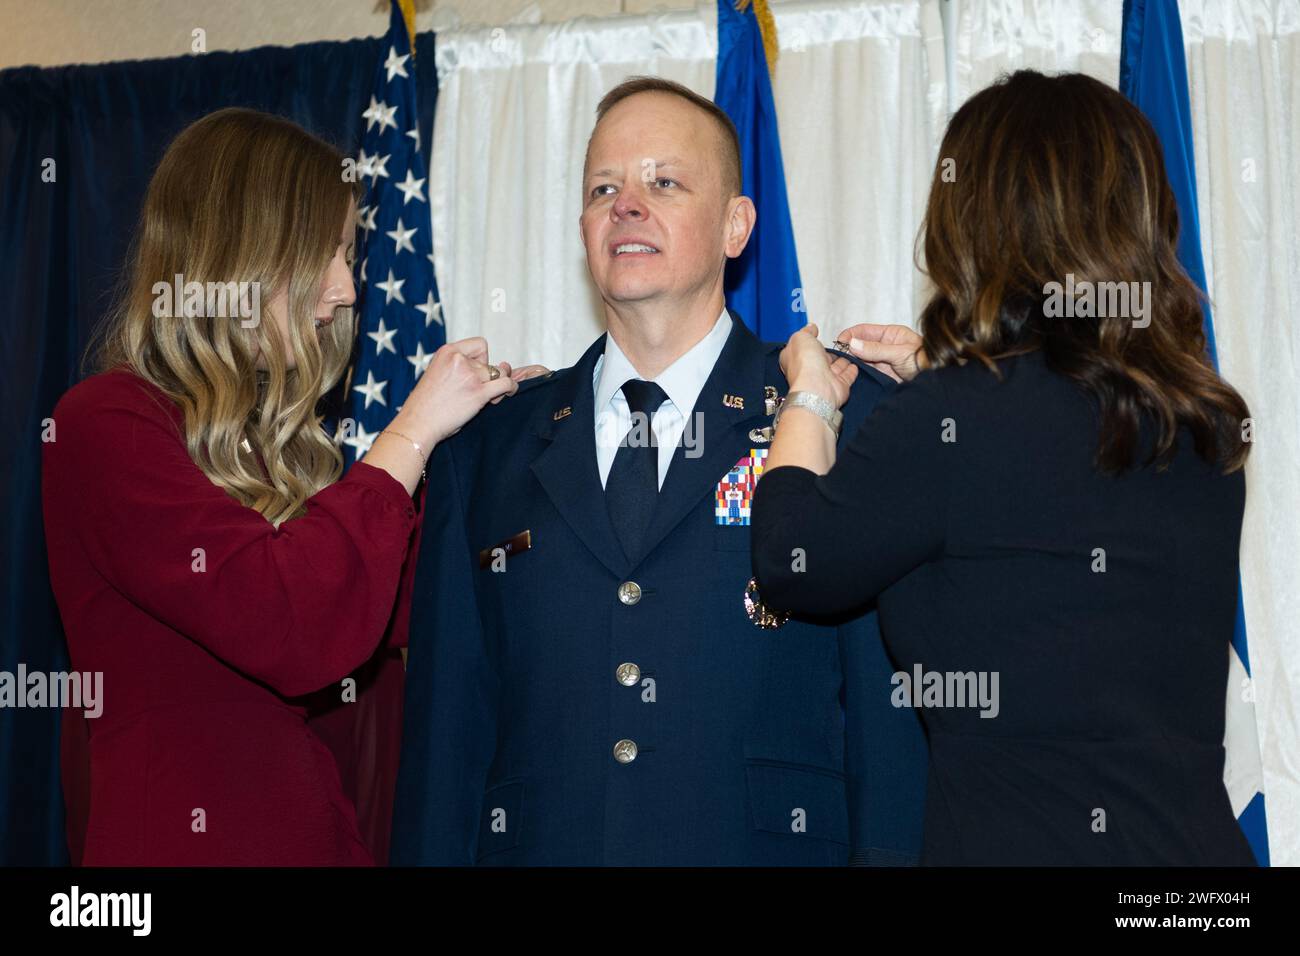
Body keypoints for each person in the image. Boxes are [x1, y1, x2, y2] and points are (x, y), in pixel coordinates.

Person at [391, 77, 927, 866]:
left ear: (736, 226)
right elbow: (446, 738)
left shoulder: (842, 416)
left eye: (664, 182)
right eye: (604, 187)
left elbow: (889, 734)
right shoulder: (487, 445)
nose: (627, 205)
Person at [750, 70, 1256, 866]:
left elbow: (791, 560)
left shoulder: (958, 422)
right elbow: (1051, 474)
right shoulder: (1200, 422)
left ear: (976, 220)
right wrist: (948, 397)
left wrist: (809, 400)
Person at [41, 107, 529, 865]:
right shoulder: (106, 424)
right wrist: (409, 434)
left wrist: (505, 451)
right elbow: (294, 626)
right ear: (240, 252)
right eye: (325, 253)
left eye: (348, 253)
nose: (345, 288)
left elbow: (414, 607)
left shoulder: (283, 457)